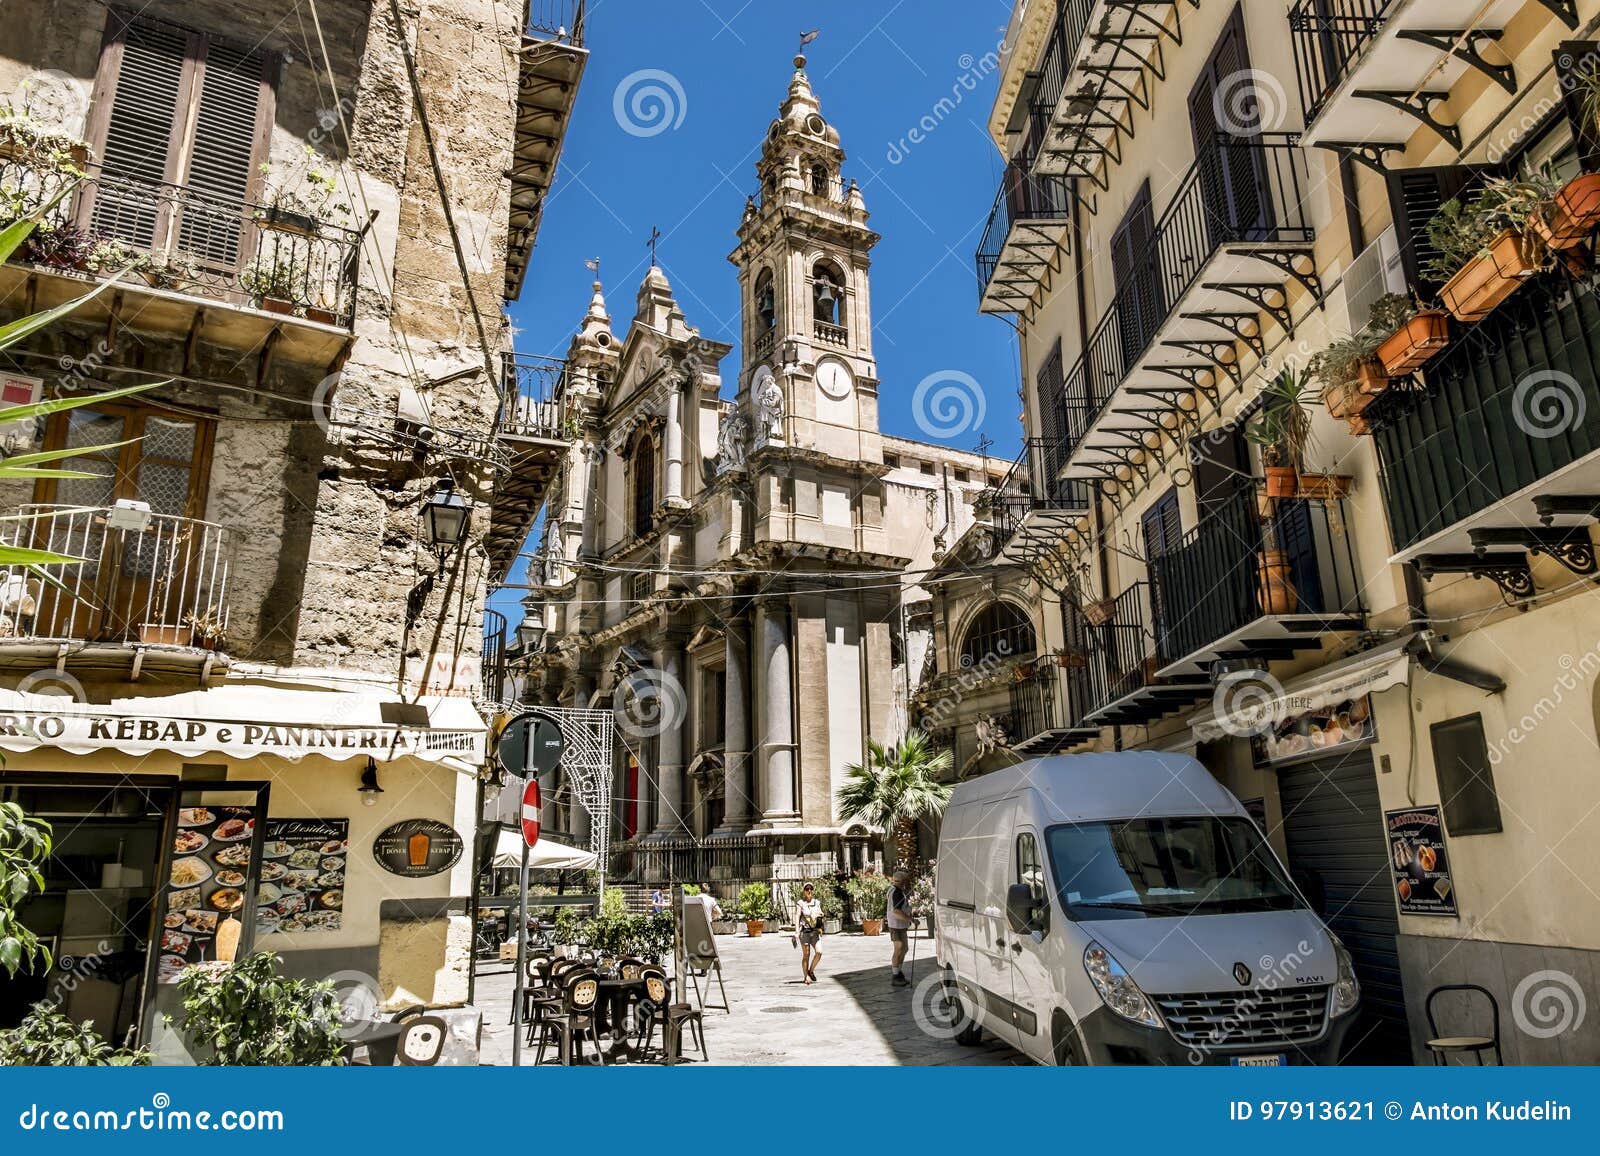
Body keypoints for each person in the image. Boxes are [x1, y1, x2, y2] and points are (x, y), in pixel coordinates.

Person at [886, 867, 915, 987]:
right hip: (896, 925)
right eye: (906, 881)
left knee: (904, 948)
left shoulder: (894, 890)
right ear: (901, 881)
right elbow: (896, 911)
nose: (907, 883)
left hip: (899, 925)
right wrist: (910, 919)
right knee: (899, 948)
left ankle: (899, 972)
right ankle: (895, 975)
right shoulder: (896, 892)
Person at [795, 882, 824, 985]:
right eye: (807, 889)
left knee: (819, 952)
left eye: (811, 889)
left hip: (815, 932)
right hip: (805, 932)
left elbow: (820, 915)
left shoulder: (817, 902)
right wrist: (797, 931)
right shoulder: (800, 903)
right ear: (804, 891)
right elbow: (798, 916)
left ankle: (811, 970)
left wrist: (821, 927)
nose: (809, 891)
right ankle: (805, 976)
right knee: (806, 955)